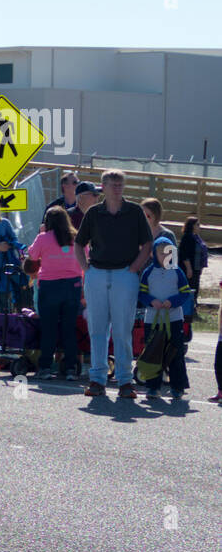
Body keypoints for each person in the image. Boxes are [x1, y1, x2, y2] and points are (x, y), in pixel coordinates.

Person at [75, 169, 153, 399]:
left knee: (122, 329)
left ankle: (125, 381)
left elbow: (147, 244)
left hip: (124, 275)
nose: (117, 188)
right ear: (104, 187)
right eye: (113, 184)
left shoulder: (135, 211)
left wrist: (134, 268)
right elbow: (79, 244)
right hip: (97, 273)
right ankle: (97, 379)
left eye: (120, 184)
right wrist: (85, 269)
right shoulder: (94, 213)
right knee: (97, 330)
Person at [27, 207, 84, 380]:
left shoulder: (43, 238)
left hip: (49, 285)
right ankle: (70, 368)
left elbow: (32, 255)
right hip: (72, 285)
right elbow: (84, 259)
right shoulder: (76, 238)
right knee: (69, 328)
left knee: (49, 328)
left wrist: (42, 233)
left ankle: (45, 366)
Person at [138, 237, 192, 399]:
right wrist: (150, 301)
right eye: (161, 252)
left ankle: (178, 386)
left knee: (175, 353)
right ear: (153, 254)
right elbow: (141, 293)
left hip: (174, 319)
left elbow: (185, 293)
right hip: (152, 319)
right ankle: (153, 387)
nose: (164, 255)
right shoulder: (148, 272)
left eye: (168, 251)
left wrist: (173, 302)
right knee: (153, 353)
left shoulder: (177, 271)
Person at [179, 216, 207, 311]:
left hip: (196, 268)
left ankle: (193, 305)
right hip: (189, 268)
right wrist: (189, 268)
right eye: (197, 225)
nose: (200, 227)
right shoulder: (187, 237)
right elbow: (184, 254)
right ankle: (187, 307)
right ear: (192, 226)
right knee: (189, 287)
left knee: (195, 286)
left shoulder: (196, 237)